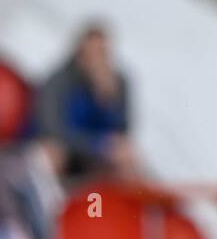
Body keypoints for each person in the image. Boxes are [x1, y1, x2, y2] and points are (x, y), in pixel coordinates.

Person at [35, 23, 139, 181]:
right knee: (51, 153)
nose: (94, 61)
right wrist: (95, 145)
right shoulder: (60, 80)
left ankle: (129, 201)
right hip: (68, 150)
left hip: (96, 156)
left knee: (127, 155)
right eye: (90, 54)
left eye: (101, 54)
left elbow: (123, 131)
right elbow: (50, 128)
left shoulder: (118, 83)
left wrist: (109, 104)